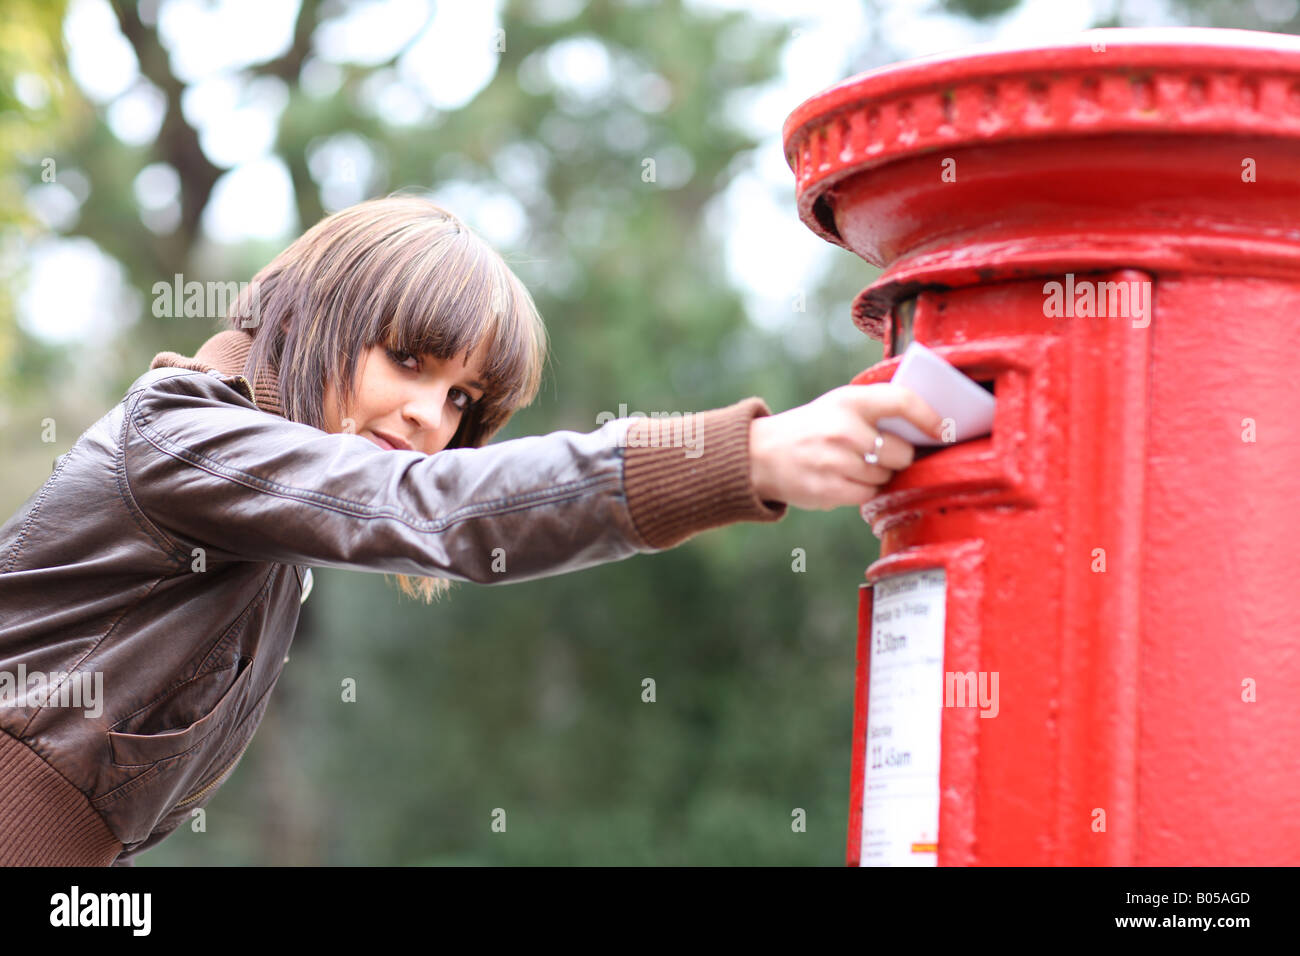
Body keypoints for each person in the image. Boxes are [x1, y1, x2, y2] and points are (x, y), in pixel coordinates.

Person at [0, 195, 943, 866]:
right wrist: (742, 458)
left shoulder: (257, 523)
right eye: (405, 359)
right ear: (310, 316)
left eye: (459, 397)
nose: (427, 415)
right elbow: (430, 504)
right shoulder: (183, 435)